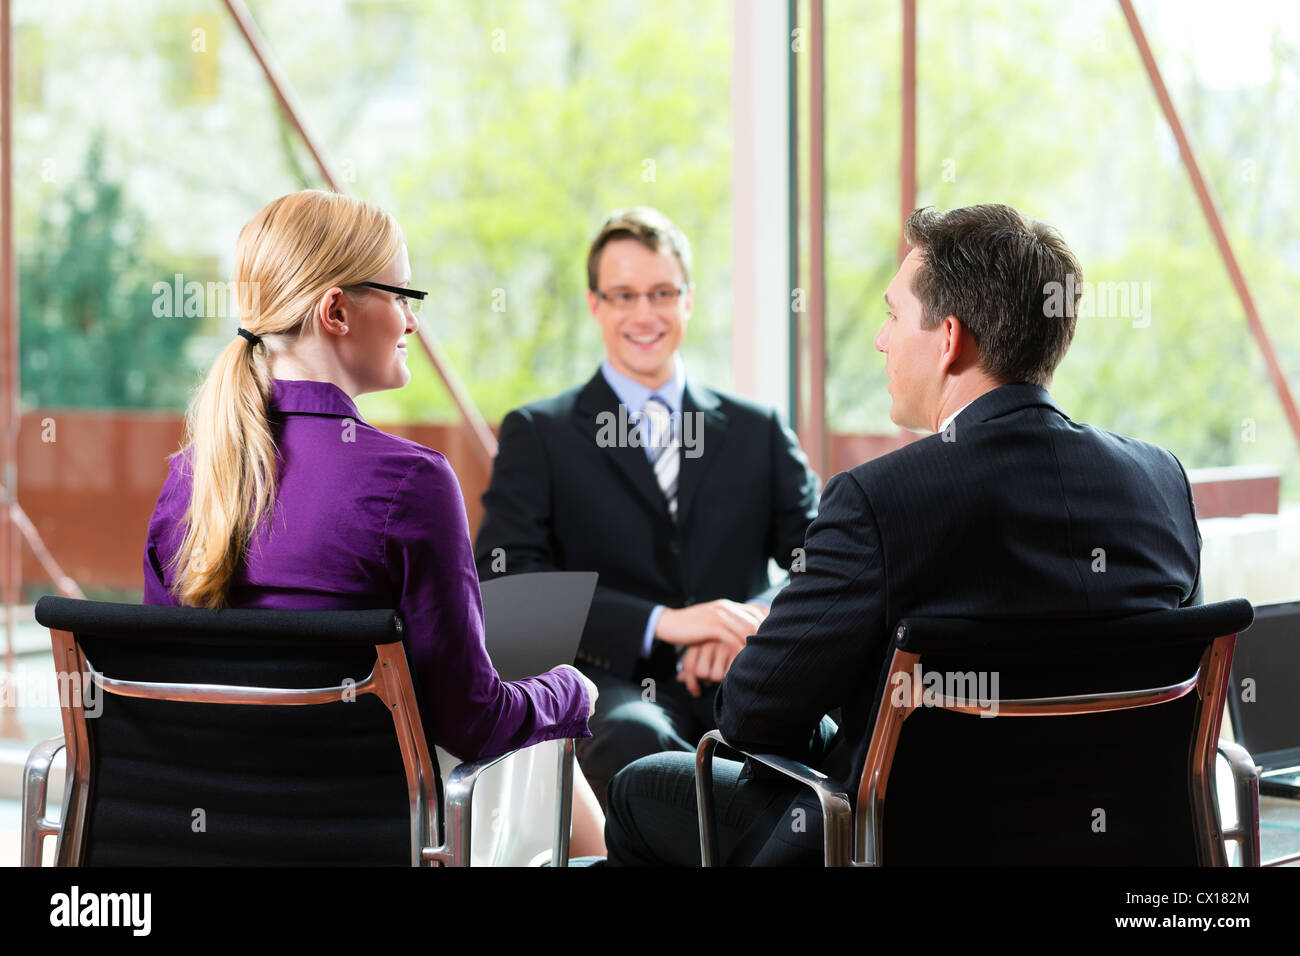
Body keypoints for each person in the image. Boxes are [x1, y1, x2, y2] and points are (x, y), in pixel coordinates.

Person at [604, 203, 1204, 865]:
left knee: (639, 788)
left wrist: (781, 652)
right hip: (1126, 845)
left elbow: (750, 716)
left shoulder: (879, 500)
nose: (881, 340)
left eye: (892, 315)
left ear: (949, 339)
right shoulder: (1160, 482)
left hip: (904, 841)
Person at [142, 189, 606, 860]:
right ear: (335, 310)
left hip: (212, 834)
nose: (411, 322)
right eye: (401, 295)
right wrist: (570, 689)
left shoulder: (187, 481)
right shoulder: (410, 481)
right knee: (564, 768)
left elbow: (172, 695)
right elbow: (473, 724)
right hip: (369, 834)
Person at [474, 206, 820, 807]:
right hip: (612, 684)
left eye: (661, 292)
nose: (644, 314)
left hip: (742, 675)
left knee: (822, 728)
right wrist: (666, 622)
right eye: (624, 294)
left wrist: (746, 623)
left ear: (687, 299)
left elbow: (821, 557)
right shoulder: (540, 432)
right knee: (639, 738)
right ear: (595, 305)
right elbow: (507, 583)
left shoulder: (756, 429)